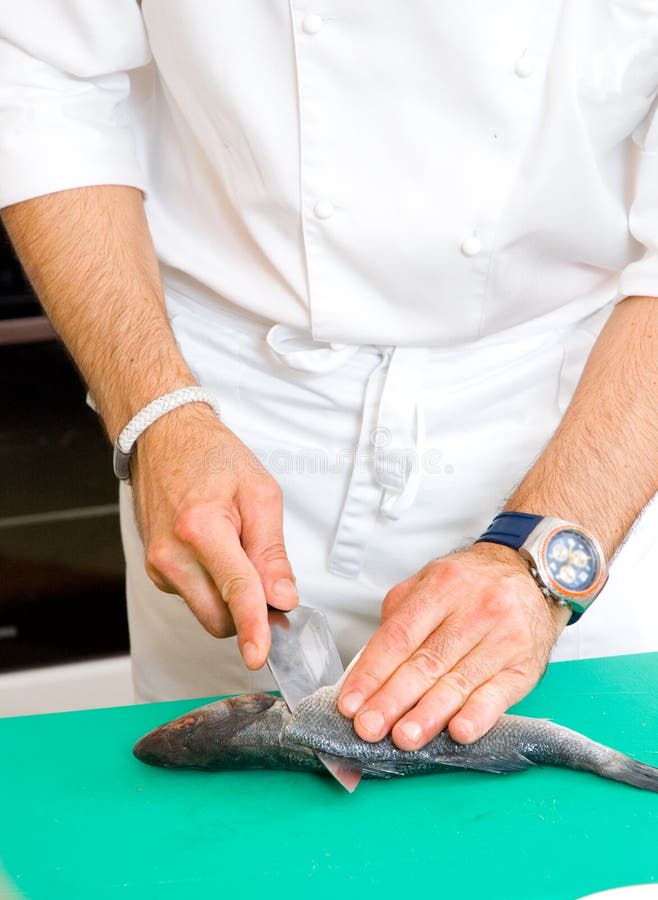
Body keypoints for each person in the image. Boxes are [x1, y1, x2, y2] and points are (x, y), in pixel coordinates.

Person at [0, 3, 656, 752]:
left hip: (585, 437)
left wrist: (547, 558)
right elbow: (46, 77)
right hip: (229, 427)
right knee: (226, 849)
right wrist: (157, 412)